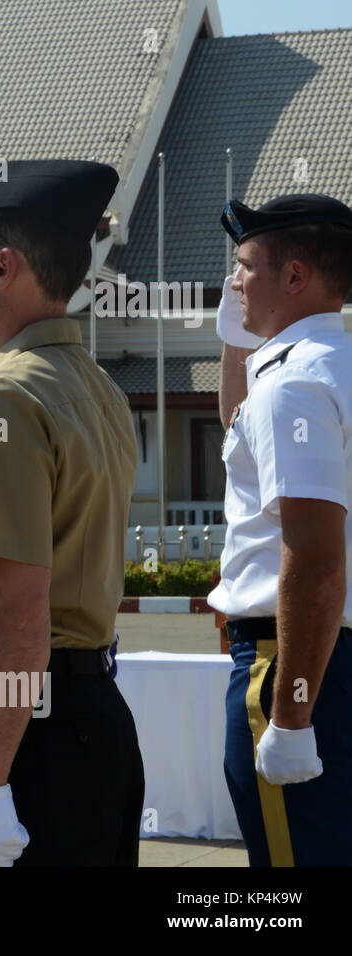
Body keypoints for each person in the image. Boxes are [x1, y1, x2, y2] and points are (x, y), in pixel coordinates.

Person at [0, 159, 143, 866]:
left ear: (4, 267)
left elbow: (14, 604)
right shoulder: (91, 385)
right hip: (84, 722)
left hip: (20, 738)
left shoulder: (1, 400)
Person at [210, 193, 352, 866]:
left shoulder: (292, 385)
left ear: (293, 277)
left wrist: (292, 714)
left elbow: (316, 559)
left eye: (245, 266)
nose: (234, 282)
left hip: (292, 664)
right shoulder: (330, 366)